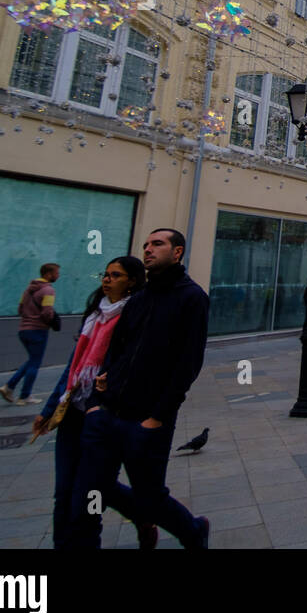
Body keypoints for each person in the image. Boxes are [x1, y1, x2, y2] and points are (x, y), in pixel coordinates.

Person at [68, 229, 210, 550]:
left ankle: (192, 530)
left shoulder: (192, 298)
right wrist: (97, 400)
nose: (148, 249)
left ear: (177, 252)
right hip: (107, 413)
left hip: (147, 419)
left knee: (150, 496)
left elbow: (188, 363)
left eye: (157, 244)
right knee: (92, 489)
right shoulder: (139, 300)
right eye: (145, 244)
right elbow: (116, 351)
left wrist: (158, 416)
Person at [32, 256, 155, 549]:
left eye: (116, 275)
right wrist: (49, 410)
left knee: (88, 496)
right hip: (74, 410)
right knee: (65, 492)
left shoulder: (135, 316)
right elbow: (74, 368)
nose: (107, 279)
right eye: (106, 274)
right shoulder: (95, 316)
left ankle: (138, 516)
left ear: (132, 282)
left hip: (103, 415)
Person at [2, 263, 60, 405]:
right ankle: (24, 396)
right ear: (48, 274)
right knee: (35, 363)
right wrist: (49, 321)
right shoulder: (48, 290)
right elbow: (47, 312)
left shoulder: (28, 289)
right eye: (56, 273)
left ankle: (9, 387)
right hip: (38, 330)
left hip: (23, 329)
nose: (58, 275)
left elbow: (20, 309)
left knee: (31, 360)